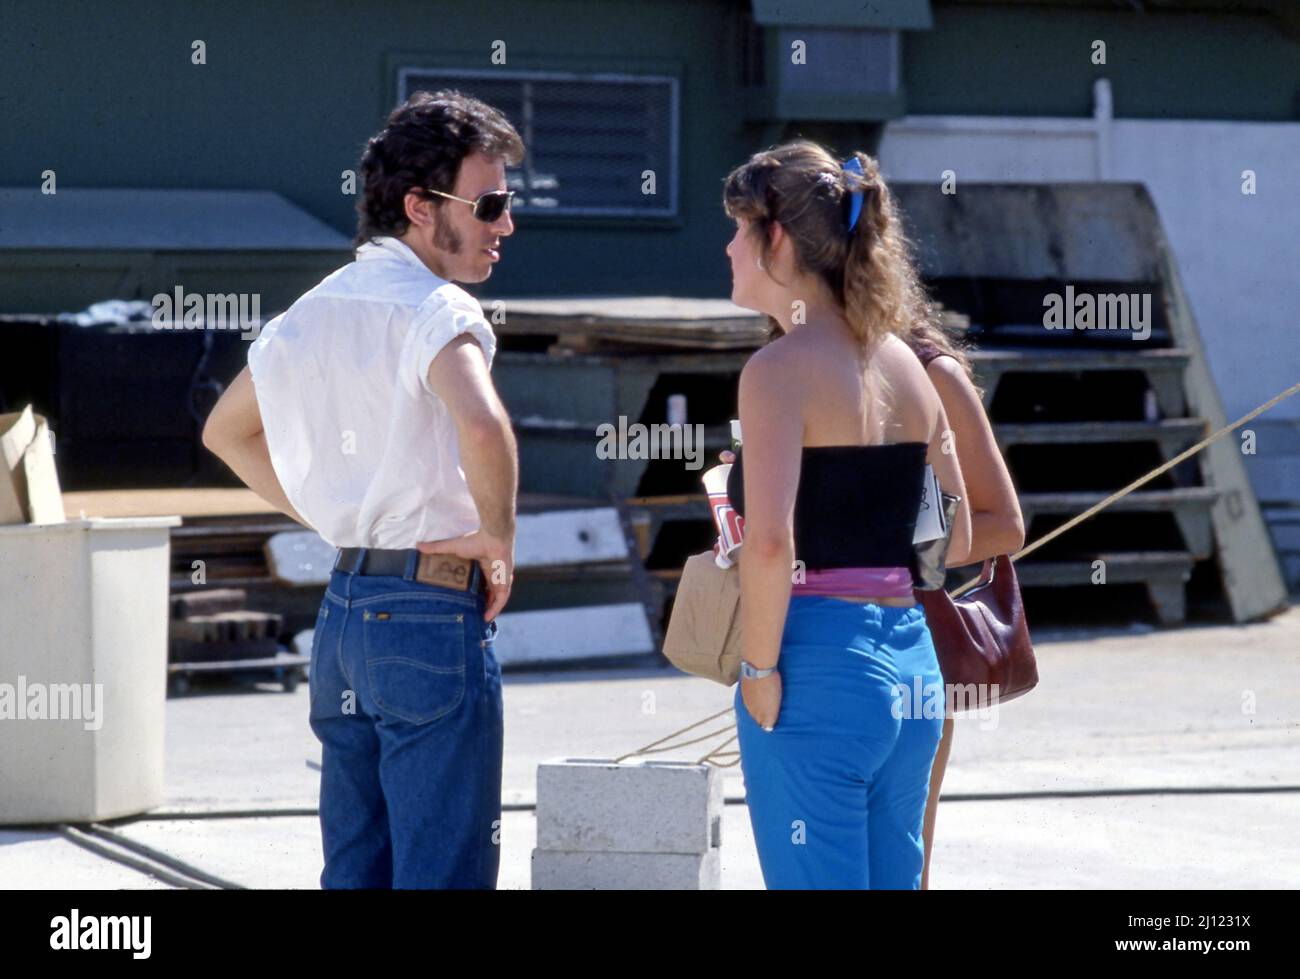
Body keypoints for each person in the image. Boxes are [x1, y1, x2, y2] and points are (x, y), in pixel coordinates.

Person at [202, 89, 523, 888]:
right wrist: (499, 538)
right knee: (442, 870)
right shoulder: (437, 307)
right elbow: (484, 427)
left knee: (355, 871)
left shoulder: (310, 314)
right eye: (489, 204)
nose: (505, 226)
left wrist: (336, 510)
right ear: (420, 207)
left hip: (344, 620)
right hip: (426, 619)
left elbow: (223, 430)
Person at [719, 139, 972, 889]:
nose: (728, 246)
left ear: (777, 239)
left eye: (738, 228)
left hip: (817, 664)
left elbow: (770, 543)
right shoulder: (906, 365)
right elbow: (949, 531)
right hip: (911, 666)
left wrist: (759, 667)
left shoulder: (775, 371)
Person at [903, 326, 1024, 890]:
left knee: (904, 865)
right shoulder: (786, 360)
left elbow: (1005, 525)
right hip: (804, 646)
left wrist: (875, 551)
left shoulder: (932, 373)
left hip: (908, 652)